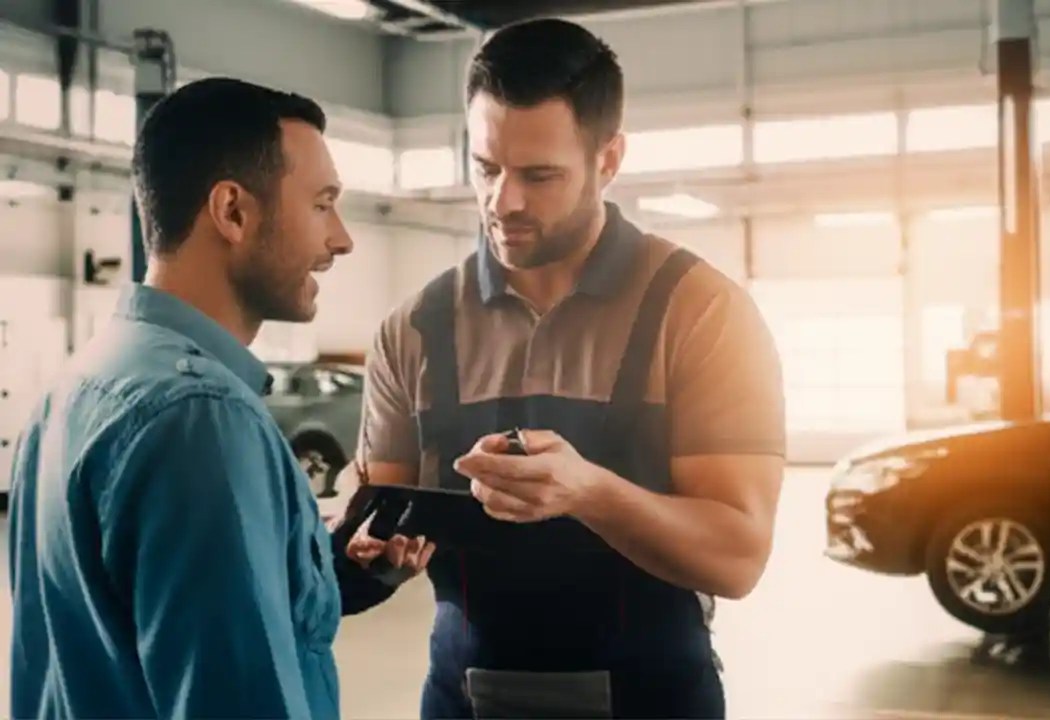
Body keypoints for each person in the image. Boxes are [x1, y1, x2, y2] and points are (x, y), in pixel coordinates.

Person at [342, 17, 786, 719]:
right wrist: (365, 545)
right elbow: (373, 535)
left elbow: (737, 558)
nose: (503, 201)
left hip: (656, 702)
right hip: (461, 700)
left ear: (609, 160)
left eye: (539, 175)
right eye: (486, 168)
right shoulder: (414, 330)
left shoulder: (701, 312)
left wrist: (589, 493)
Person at [7, 77, 430, 720]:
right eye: (322, 205)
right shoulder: (203, 418)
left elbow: (119, 630)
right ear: (232, 211)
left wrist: (327, 572)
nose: (341, 239)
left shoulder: (78, 385)